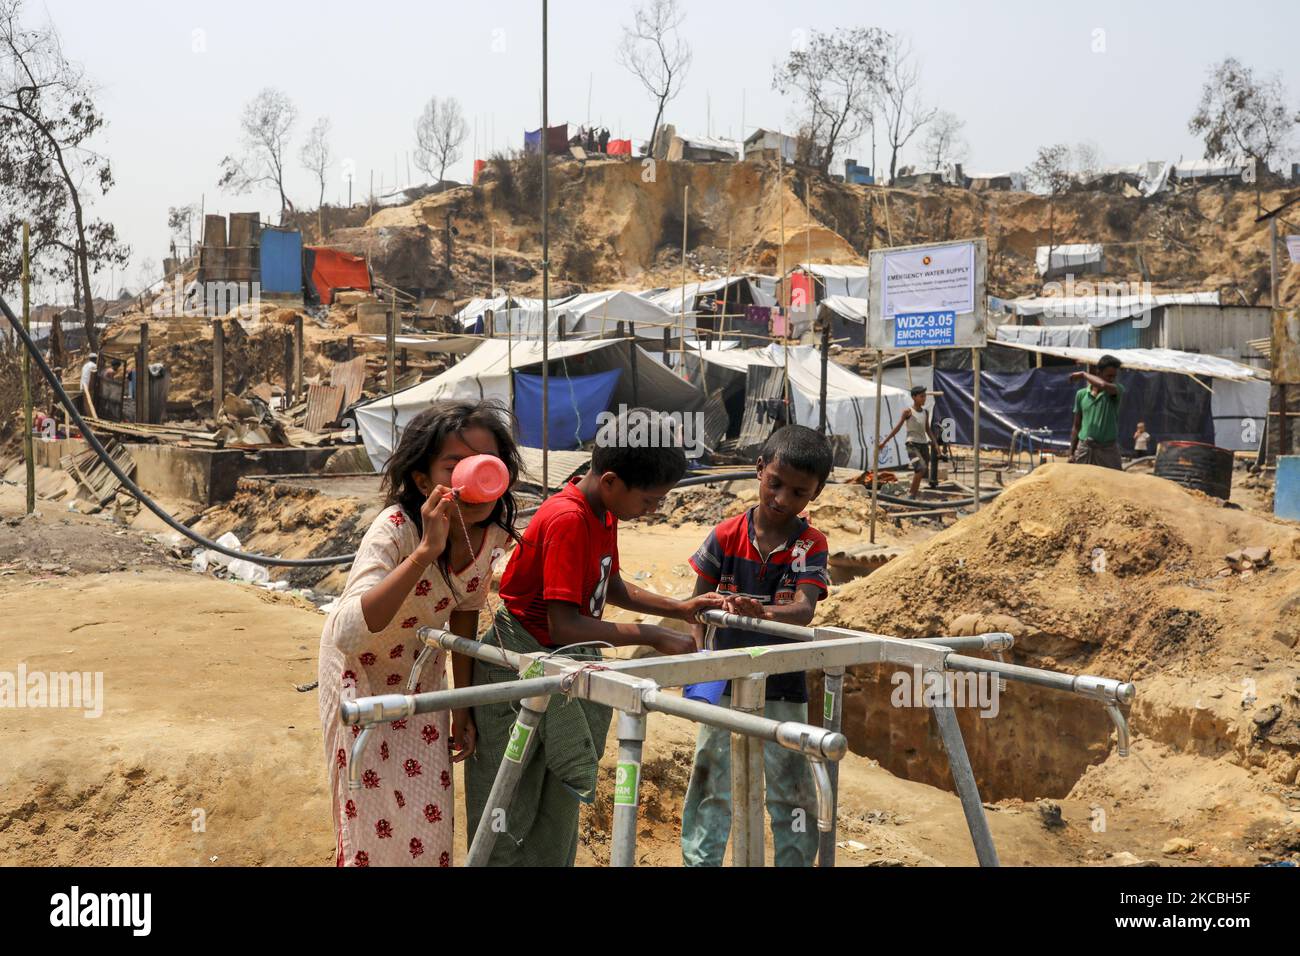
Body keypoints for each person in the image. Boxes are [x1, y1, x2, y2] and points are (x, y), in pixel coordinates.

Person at [466, 406, 726, 866]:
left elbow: (613, 585)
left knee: (555, 807)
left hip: (558, 659)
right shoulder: (568, 520)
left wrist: (678, 608)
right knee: (509, 799)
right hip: (523, 663)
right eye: (648, 501)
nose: (651, 511)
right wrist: (650, 634)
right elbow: (565, 623)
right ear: (610, 481)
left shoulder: (602, 513)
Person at [318, 400, 523, 867]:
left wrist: (462, 707)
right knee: (366, 808)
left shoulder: (491, 536)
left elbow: (466, 616)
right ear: (424, 480)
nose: (476, 476)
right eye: (456, 466)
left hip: (420, 674)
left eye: (486, 463)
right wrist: (427, 550)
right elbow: (349, 631)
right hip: (358, 673)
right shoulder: (395, 531)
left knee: (428, 808)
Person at [680, 425, 833, 868]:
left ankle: (794, 862)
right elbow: (697, 607)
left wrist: (757, 613)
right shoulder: (726, 535)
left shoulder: (809, 544)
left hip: (783, 682)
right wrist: (699, 665)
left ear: (815, 494)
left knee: (790, 782)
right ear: (760, 470)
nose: (783, 498)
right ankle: (700, 861)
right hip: (722, 677)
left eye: (799, 492)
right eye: (776, 483)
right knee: (713, 774)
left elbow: (804, 610)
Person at [878, 384, 939, 499]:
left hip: (923, 445)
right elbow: (897, 428)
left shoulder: (925, 412)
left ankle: (913, 494)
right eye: (922, 396)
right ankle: (911, 495)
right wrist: (884, 442)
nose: (924, 398)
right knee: (920, 468)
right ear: (914, 397)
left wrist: (935, 444)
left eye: (925, 396)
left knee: (922, 471)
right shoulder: (908, 412)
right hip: (912, 445)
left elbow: (927, 429)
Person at [1069, 355, 1124, 469]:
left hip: (1107, 450)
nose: (1112, 379)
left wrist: (1083, 374)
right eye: (1108, 376)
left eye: (1114, 376)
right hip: (1085, 448)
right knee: (1082, 481)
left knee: (1113, 482)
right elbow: (1076, 426)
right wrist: (1071, 453)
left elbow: (1102, 385)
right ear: (1098, 373)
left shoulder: (1115, 390)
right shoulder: (1082, 394)